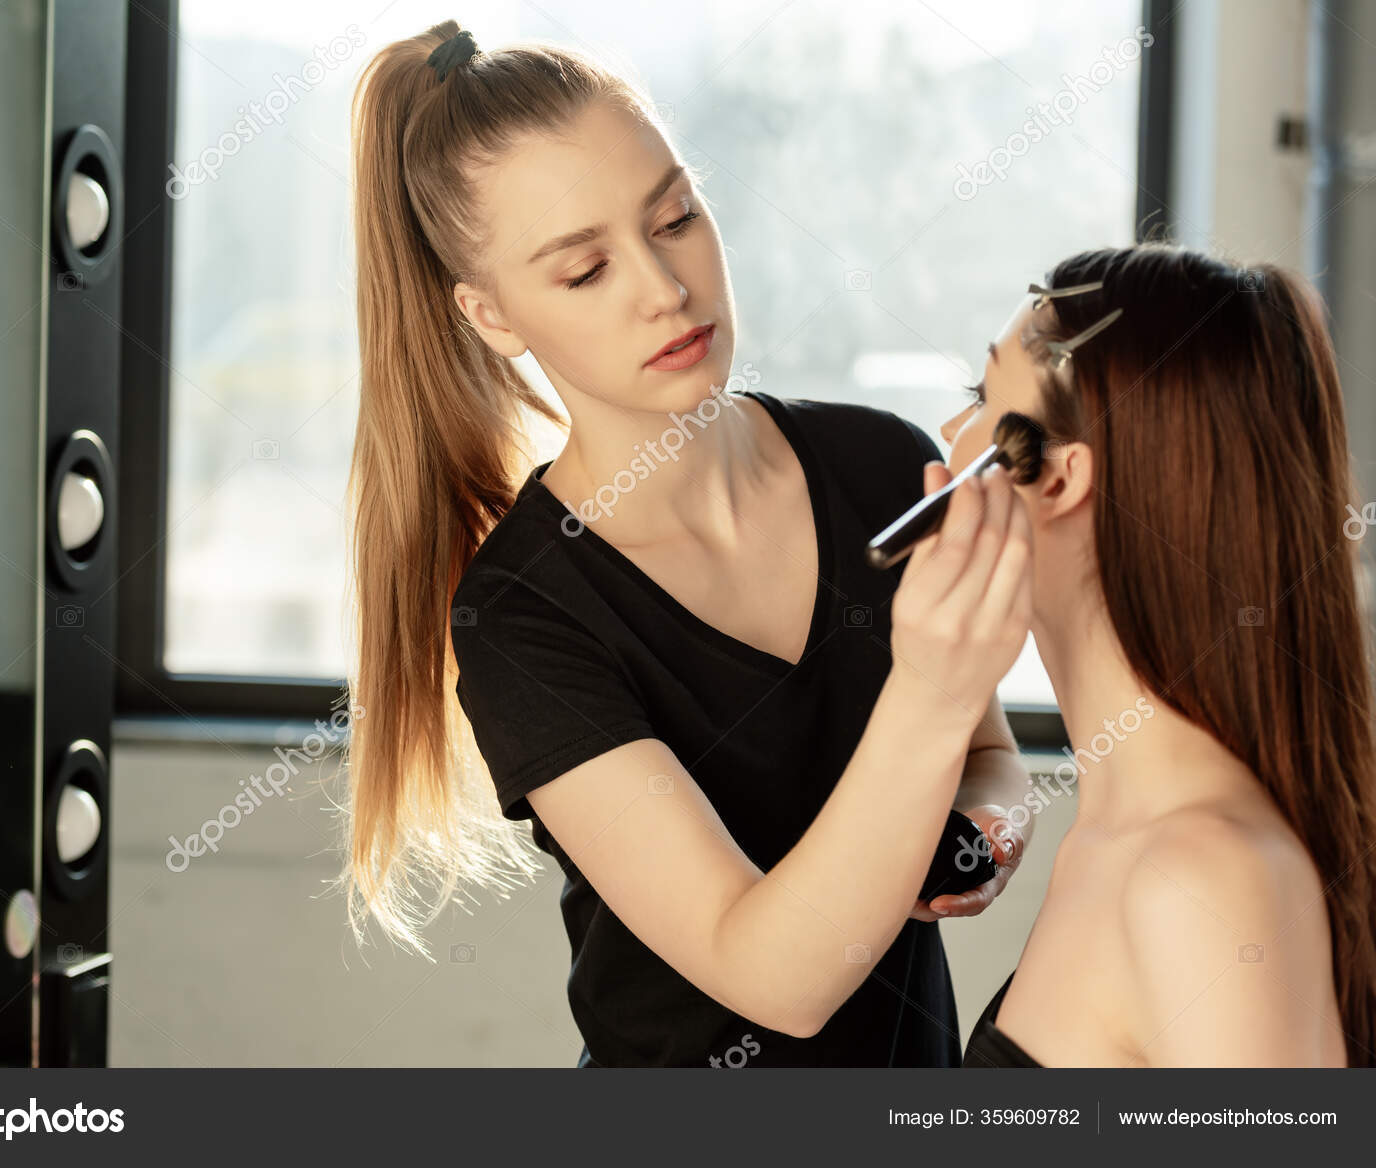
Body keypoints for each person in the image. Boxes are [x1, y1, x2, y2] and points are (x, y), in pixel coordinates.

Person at [340, 20, 1035, 1067]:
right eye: (584, 270)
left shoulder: (881, 465)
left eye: (674, 217)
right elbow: (772, 980)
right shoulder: (524, 613)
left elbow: (989, 759)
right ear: (491, 314)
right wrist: (931, 689)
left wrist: (988, 834)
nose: (663, 288)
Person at [952, 244, 1376, 1068]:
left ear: (1059, 479)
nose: (945, 432)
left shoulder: (1202, 882)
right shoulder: (1122, 835)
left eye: (977, 397)